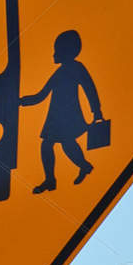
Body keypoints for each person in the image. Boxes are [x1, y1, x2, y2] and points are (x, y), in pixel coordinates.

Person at [20, 29, 105, 192]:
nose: (54, 53)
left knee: (60, 143)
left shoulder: (76, 68)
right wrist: (22, 101)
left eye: (57, 49)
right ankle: (67, 173)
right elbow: (41, 95)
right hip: (56, 116)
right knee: (57, 143)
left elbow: (90, 89)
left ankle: (74, 170)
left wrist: (96, 111)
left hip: (68, 115)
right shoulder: (59, 72)